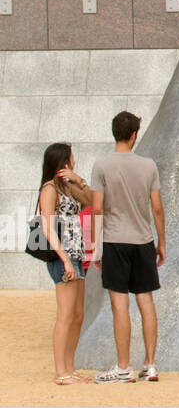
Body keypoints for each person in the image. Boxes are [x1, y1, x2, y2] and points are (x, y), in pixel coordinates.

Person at [91, 110, 165, 382]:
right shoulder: (149, 166)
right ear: (134, 135)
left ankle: (124, 366)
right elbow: (157, 209)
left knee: (119, 304)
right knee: (146, 301)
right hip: (143, 240)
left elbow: (97, 209)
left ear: (115, 133)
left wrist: (95, 248)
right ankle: (151, 364)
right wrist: (162, 242)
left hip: (114, 241)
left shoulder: (101, 165)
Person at [37, 143, 94, 384]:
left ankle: (69, 368)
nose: (74, 159)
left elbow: (91, 202)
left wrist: (78, 179)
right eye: (71, 157)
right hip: (64, 256)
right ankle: (61, 372)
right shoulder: (49, 188)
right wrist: (65, 260)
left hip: (77, 254)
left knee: (78, 315)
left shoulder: (69, 187)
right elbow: (47, 227)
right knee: (65, 315)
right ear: (63, 160)